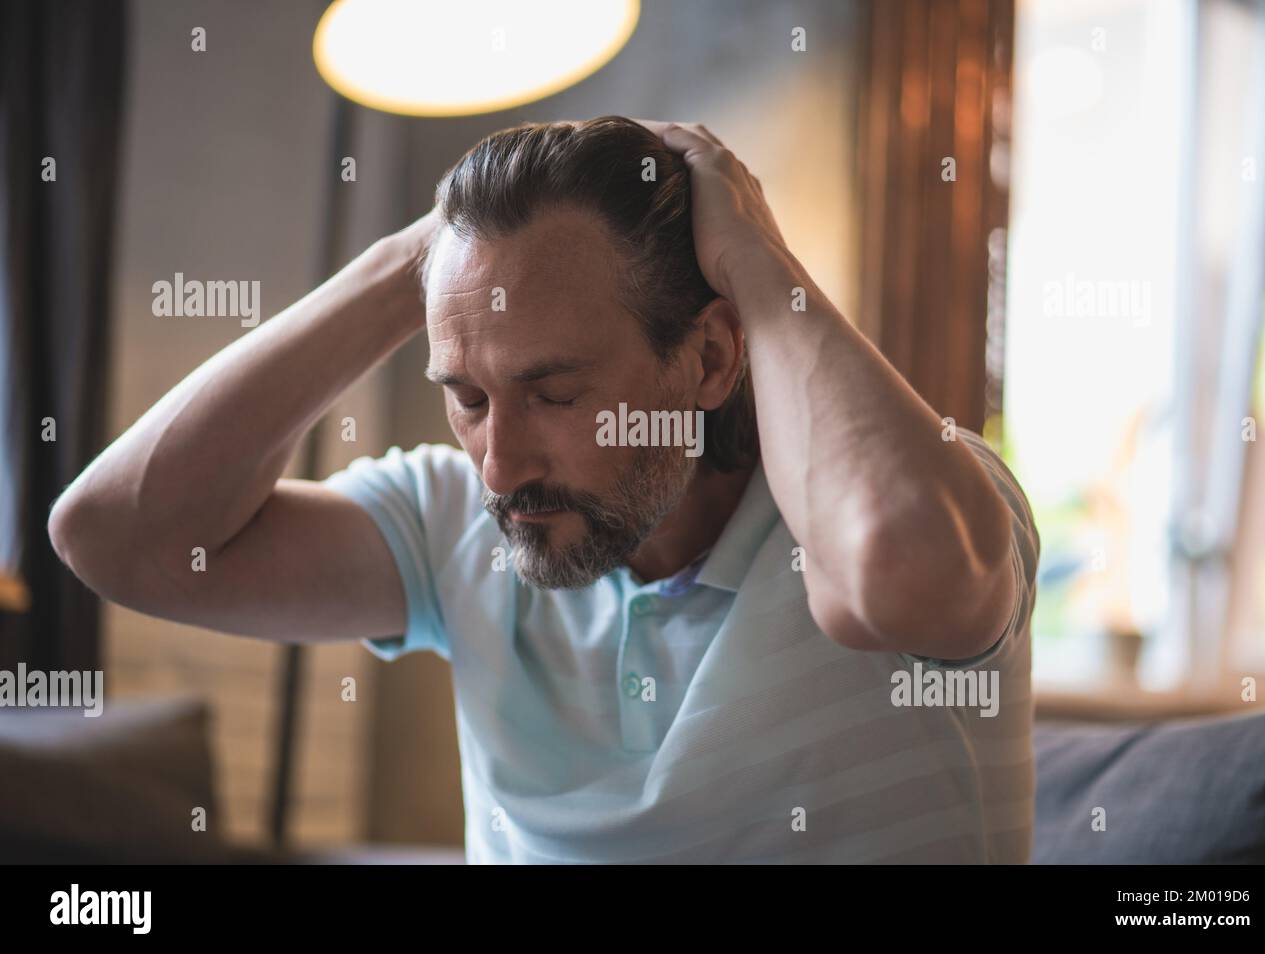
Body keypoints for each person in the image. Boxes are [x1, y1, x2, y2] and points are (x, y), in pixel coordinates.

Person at [49, 116, 1039, 863]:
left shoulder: (918, 505)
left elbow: (897, 572)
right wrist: (423, 257)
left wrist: (750, 254)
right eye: (467, 397)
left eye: (554, 392)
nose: (500, 465)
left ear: (706, 360)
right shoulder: (455, 528)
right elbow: (115, 538)